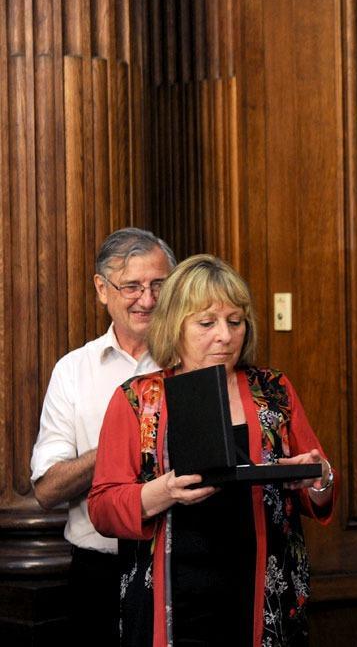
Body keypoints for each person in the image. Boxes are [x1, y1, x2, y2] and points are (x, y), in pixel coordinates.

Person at [88, 254, 337, 646]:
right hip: (173, 603)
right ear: (175, 325)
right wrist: (163, 492)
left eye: (235, 321)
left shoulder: (274, 390)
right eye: (207, 323)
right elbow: (102, 507)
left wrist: (319, 478)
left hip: (262, 599)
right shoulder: (137, 399)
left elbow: (317, 494)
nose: (225, 335)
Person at [30, 227, 176, 642]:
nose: (147, 299)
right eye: (131, 286)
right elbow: (46, 490)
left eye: (158, 285)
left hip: (180, 567)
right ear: (101, 289)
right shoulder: (73, 371)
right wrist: (118, 447)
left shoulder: (191, 362)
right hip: (98, 575)